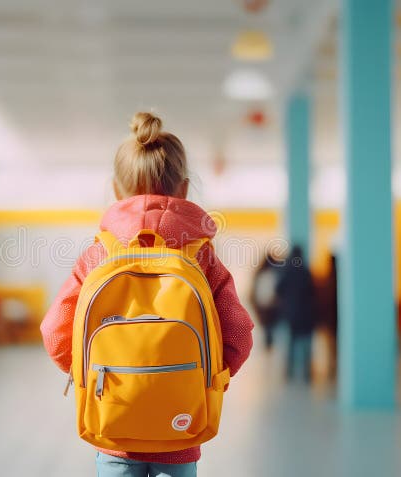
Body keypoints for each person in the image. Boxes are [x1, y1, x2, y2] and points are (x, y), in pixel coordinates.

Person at [40, 112, 254, 477]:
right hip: (182, 426)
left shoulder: (99, 254)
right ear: (184, 189)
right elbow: (238, 335)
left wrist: (86, 374)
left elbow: (55, 331)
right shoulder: (200, 256)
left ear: (116, 190)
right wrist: (205, 379)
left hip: (113, 428)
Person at [276, 245, 316, 382]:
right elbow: (312, 292)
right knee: (306, 345)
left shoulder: (286, 271)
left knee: (291, 345)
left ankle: (289, 373)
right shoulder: (305, 271)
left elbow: (278, 290)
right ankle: (307, 374)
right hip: (306, 314)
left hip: (291, 313)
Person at [250, 252, 284, 350]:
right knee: (270, 331)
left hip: (263, 307)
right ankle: (269, 349)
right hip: (271, 307)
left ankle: (268, 349)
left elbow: (254, 293)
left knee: (267, 331)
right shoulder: (274, 274)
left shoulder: (260, 274)